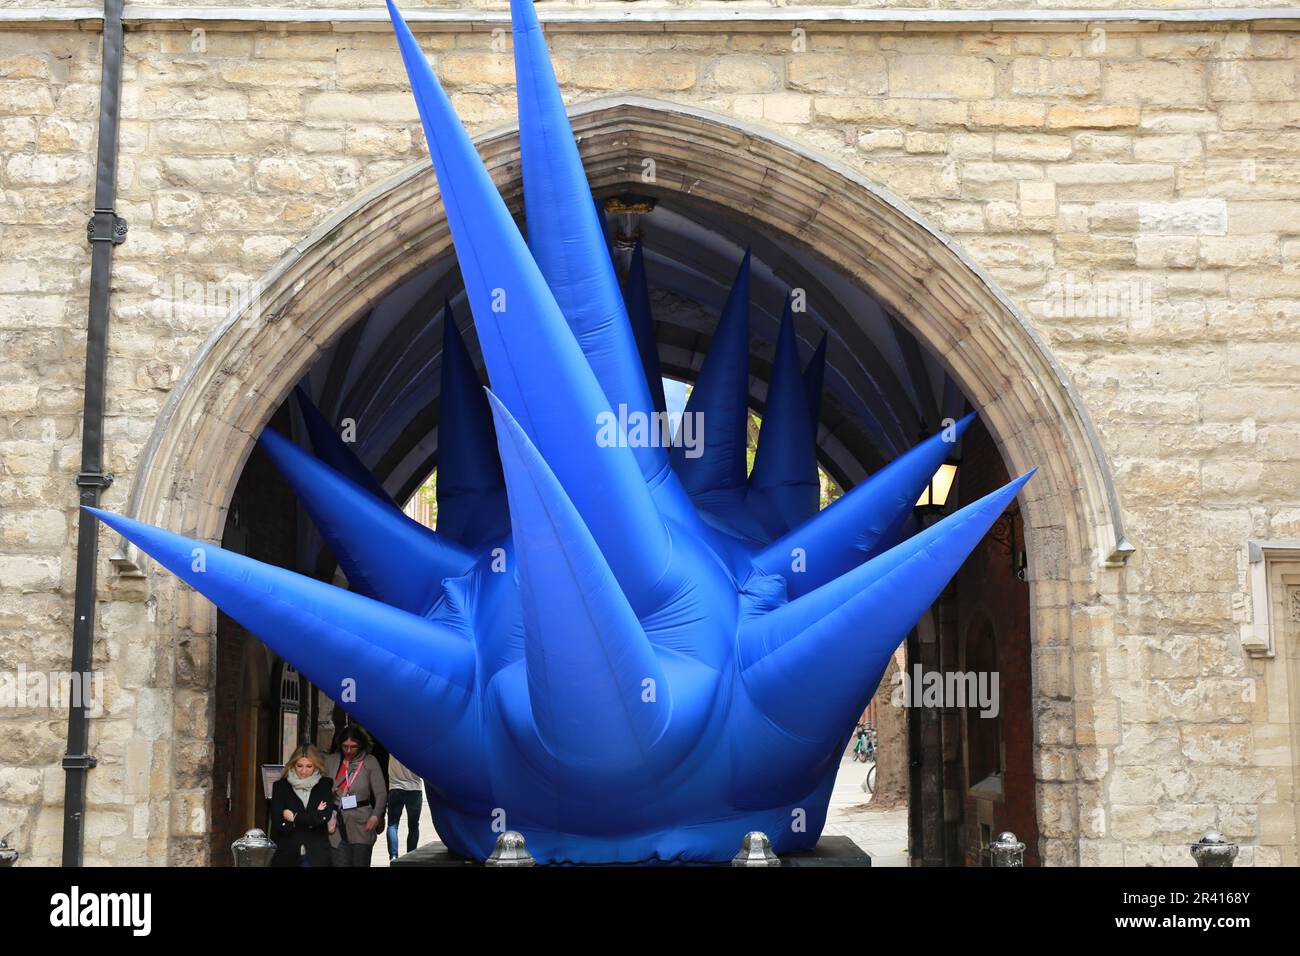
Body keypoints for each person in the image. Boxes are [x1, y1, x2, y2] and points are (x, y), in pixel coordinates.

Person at [325, 725, 387, 867]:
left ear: (361, 745)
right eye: (345, 746)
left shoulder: (370, 761)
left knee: (360, 862)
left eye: (353, 747)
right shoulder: (331, 761)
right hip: (335, 821)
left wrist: (376, 815)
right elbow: (321, 788)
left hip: (361, 822)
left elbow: (381, 793)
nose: (348, 750)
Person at [268, 745, 337, 867]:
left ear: (316, 766)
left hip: (317, 855)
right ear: (293, 764)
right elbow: (278, 821)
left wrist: (294, 818)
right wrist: (313, 817)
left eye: (309, 766)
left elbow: (324, 817)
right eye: (299, 766)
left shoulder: (325, 784)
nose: (303, 771)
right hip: (288, 854)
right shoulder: (280, 786)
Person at [385, 752, 423, 862]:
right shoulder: (415, 748)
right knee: (413, 825)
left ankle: (393, 856)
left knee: (393, 824)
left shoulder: (392, 744)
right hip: (414, 788)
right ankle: (411, 856)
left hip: (395, 787)